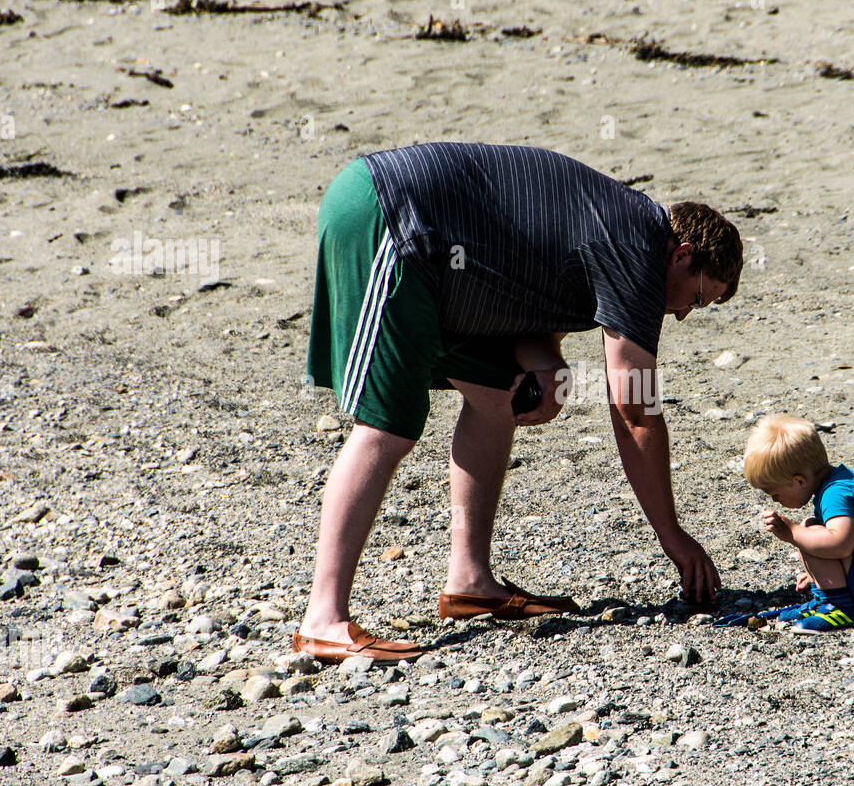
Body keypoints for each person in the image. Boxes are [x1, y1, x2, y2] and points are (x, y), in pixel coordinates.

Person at [293, 142, 743, 663]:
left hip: (443, 262)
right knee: (388, 425)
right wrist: (674, 536)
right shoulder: (639, 246)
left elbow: (535, 312)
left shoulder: (618, 229)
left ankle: (469, 581)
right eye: (699, 295)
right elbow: (635, 409)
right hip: (391, 215)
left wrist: (550, 372)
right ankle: (323, 619)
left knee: (500, 396)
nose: (686, 313)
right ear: (683, 254)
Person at [740, 414, 854, 633]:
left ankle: (840, 607)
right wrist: (817, 574)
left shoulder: (835, 493)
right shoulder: (837, 482)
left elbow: (840, 544)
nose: (774, 500)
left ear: (799, 481)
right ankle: (825, 600)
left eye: (775, 494)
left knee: (809, 529)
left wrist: (791, 532)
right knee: (810, 526)